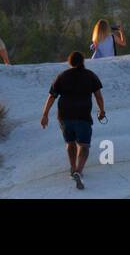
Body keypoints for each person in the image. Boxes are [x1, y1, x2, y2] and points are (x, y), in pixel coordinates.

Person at [41, 51, 105, 190]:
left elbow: (52, 96)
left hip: (65, 116)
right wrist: (101, 111)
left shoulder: (62, 76)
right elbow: (98, 96)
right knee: (84, 145)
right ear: (83, 62)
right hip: (83, 116)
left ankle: (72, 167)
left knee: (70, 143)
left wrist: (45, 114)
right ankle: (79, 170)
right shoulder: (90, 75)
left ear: (70, 62)